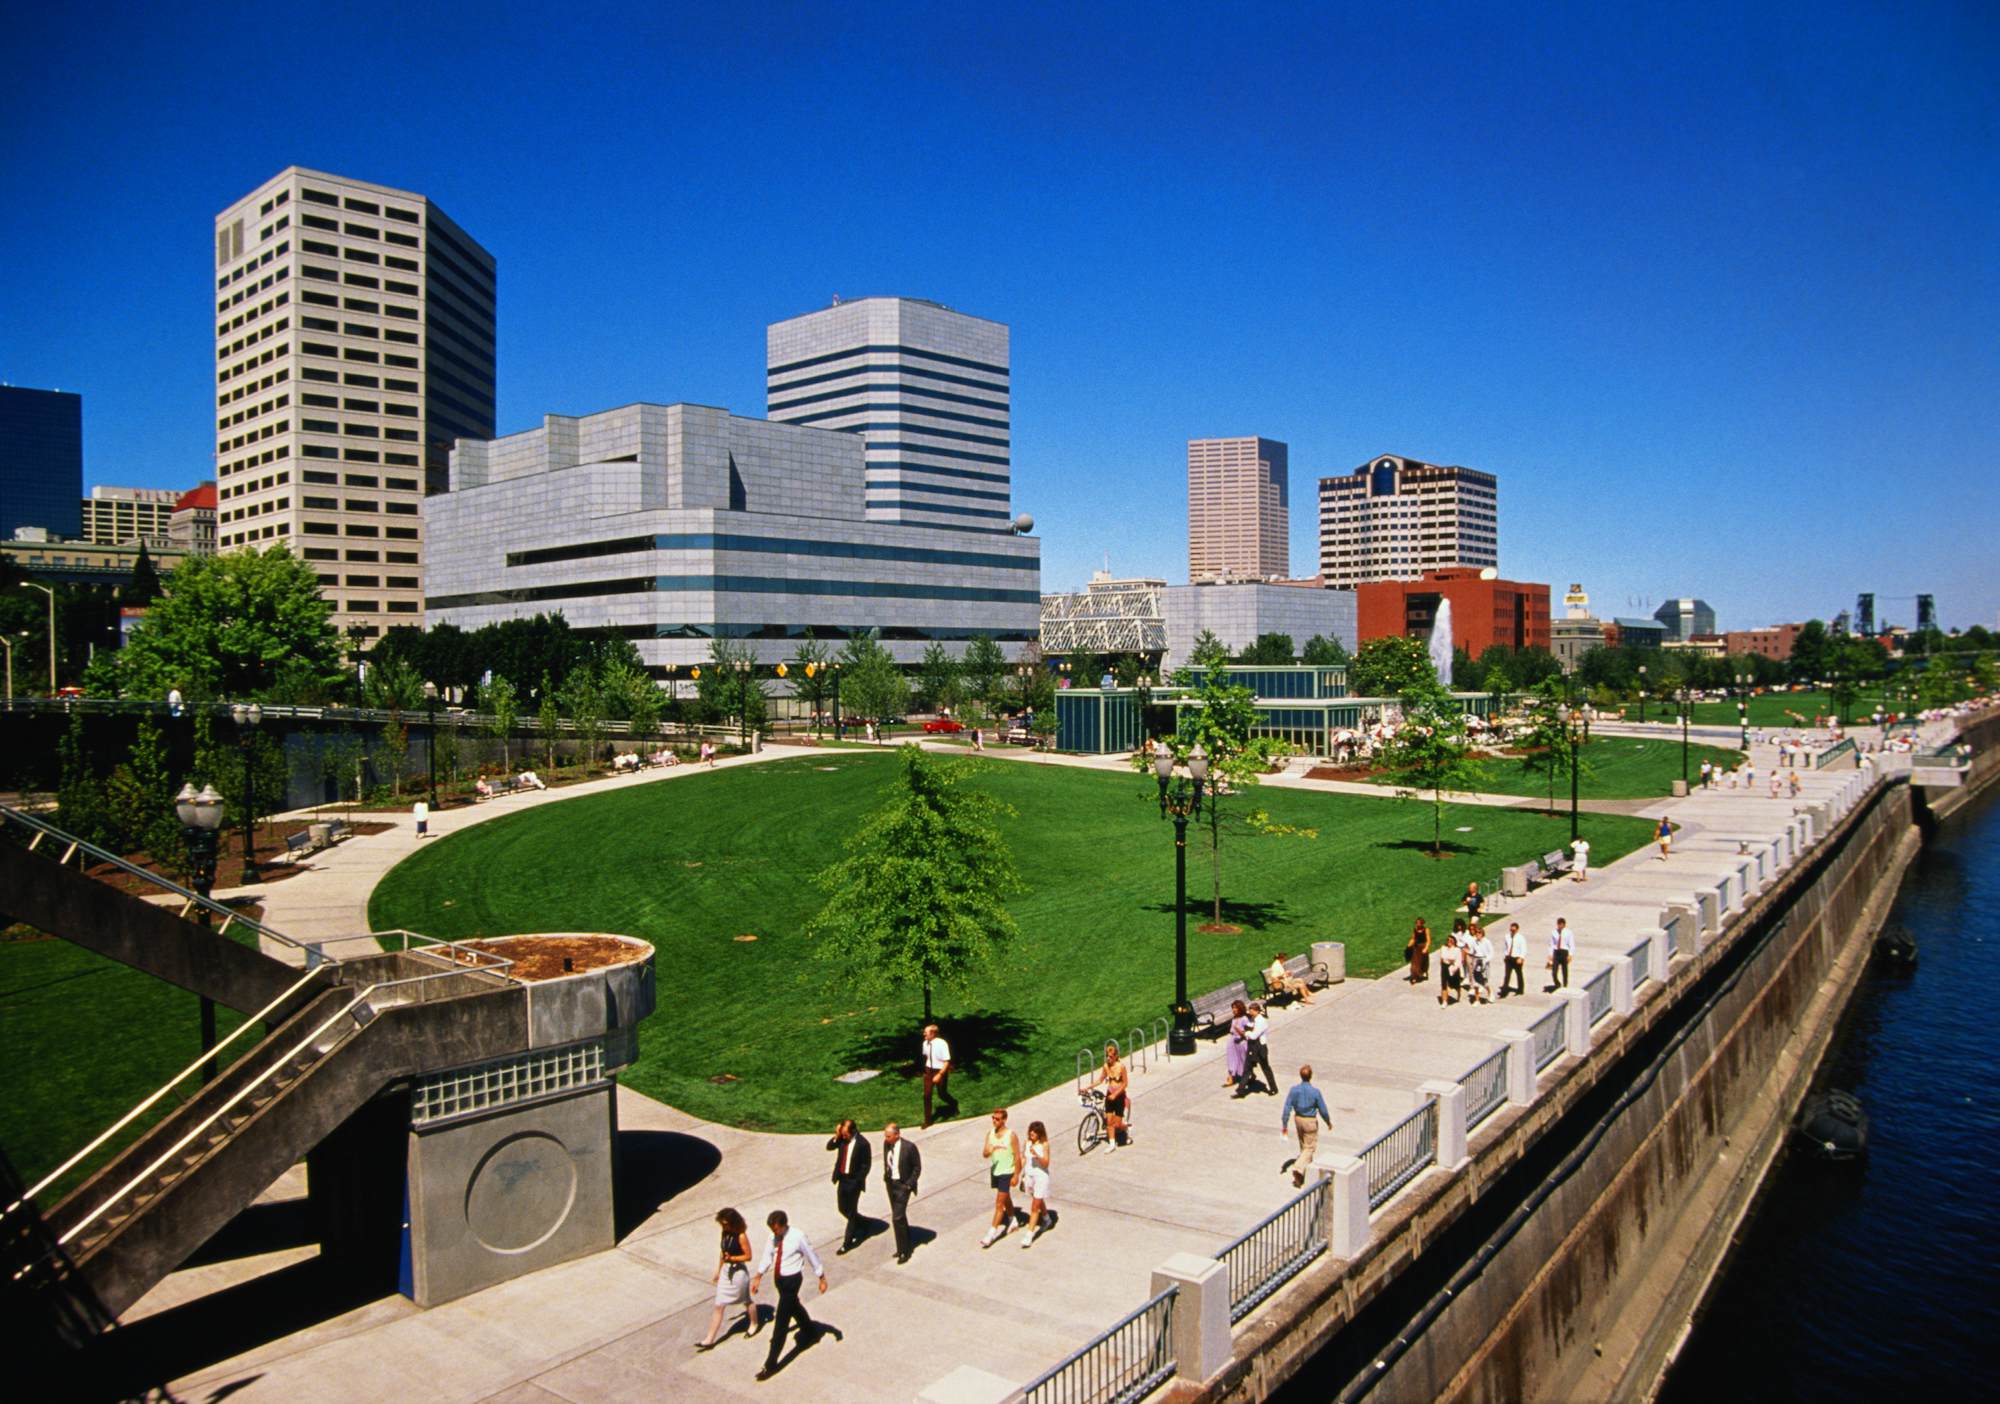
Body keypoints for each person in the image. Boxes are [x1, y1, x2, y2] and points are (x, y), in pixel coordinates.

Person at [750, 1209, 826, 1381]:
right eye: (772, 1230)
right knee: (794, 1308)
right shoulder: (773, 1238)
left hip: (792, 1281)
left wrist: (821, 1277)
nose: (774, 1233)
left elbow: (811, 1255)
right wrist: (758, 1276)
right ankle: (811, 1331)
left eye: (776, 1229)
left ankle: (770, 1364)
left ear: (783, 1225)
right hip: (780, 1280)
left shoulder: (798, 1236)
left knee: (781, 1322)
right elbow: (767, 1256)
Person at [695, 1207, 755, 1350]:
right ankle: (709, 1339)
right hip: (727, 1272)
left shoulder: (741, 1236)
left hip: (738, 1272)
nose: (724, 1226)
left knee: (746, 1300)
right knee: (719, 1304)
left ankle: (754, 1323)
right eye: (722, 1224)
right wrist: (719, 1270)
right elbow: (723, 1253)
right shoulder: (725, 1233)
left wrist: (732, 1258)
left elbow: (748, 1256)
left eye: (726, 1224)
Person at [1279, 1064, 1333, 1188]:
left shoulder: (1294, 1090)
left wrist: (1284, 1124)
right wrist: (1328, 1122)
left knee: (1303, 1145)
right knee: (1309, 1148)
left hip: (1298, 1119)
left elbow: (1287, 1107)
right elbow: (1323, 1109)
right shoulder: (1315, 1092)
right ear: (1311, 1076)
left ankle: (1304, 1174)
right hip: (1310, 1121)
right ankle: (1298, 1168)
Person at [824, 1118, 872, 1254]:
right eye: (843, 1134)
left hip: (853, 1181)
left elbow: (866, 1165)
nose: (844, 1136)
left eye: (846, 1134)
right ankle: (862, 1222)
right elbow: (829, 1147)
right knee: (842, 1208)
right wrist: (837, 1135)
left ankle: (847, 1242)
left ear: (854, 1131)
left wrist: (857, 1180)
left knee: (851, 1212)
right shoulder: (842, 1139)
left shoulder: (863, 1144)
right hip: (842, 1179)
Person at [980, 1109, 1025, 1246]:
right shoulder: (990, 1134)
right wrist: (988, 1151)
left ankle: (991, 1234)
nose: (994, 1121)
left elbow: (1017, 1156)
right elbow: (985, 1153)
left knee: (999, 1204)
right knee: (1005, 1198)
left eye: (998, 1119)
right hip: (996, 1171)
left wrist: (1016, 1174)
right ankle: (1013, 1220)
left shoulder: (1011, 1135)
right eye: (993, 1118)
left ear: (1004, 1120)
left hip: (1007, 1172)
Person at [881, 1121, 922, 1263]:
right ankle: (902, 1246)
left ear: (897, 1135)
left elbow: (917, 1168)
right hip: (890, 1184)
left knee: (897, 1218)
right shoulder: (887, 1145)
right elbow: (887, 1161)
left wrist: (908, 1185)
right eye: (886, 1136)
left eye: (888, 1136)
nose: (886, 1139)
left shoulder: (909, 1147)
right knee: (900, 1217)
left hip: (903, 1186)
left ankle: (905, 1252)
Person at [1020, 1120, 1058, 1247]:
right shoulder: (1026, 1143)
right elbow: (1023, 1158)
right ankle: (1047, 1219)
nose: (1032, 1133)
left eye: (1035, 1131)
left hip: (1041, 1177)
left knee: (1035, 1206)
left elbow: (1046, 1163)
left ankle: (1029, 1235)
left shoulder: (1044, 1145)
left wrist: (1037, 1155)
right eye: (1031, 1130)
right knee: (1037, 1199)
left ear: (1040, 1133)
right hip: (1029, 1176)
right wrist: (1018, 1174)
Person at [1093, 1042, 1132, 1144]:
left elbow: (1125, 1083)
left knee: (1117, 1125)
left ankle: (1126, 1128)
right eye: (1107, 1056)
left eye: (1110, 1056)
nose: (1108, 1058)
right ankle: (1111, 1144)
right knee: (1109, 1122)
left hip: (1119, 1096)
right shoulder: (1106, 1066)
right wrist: (1087, 1087)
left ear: (1116, 1056)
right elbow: (1100, 1080)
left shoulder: (1121, 1067)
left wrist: (1115, 1094)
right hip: (1110, 1094)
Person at [920, 1023, 956, 1127]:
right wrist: (926, 1071)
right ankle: (928, 1120)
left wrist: (940, 1075)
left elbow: (946, 1062)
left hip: (940, 1070)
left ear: (933, 1033)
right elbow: (925, 1056)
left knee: (942, 1093)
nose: (924, 1034)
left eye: (926, 1032)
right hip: (928, 1071)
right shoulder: (925, 1043)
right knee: (927, 1095)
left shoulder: (942, 1044)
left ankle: (953, 1104)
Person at [1243, 1003, 1277, 1096]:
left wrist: (1246, 1033)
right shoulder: (1255, 1020)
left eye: (1251, 1010)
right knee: (1249, 1066)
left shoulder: (1261, 1021)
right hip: (1255, 1047)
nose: (1250, 1012)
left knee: (1265, 1068)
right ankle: (1243, 1085)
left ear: (1256, 1011)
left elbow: (1254, 1035)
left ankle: (1273, 1088)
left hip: (1260, 1048)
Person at [1224, 999, 1250, 1091]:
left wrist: (1240, 1031)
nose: (1234, 1010)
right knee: (1231, 1059)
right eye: (1233, 1008)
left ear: (1240, 1009)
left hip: (1241, 1041)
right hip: (1232, 1040)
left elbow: (1247, 1032)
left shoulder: (1244, 1019)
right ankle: (1231, 1077)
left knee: (1243, 1060)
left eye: (1236, 1008)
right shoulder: (1234, 1018)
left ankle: (1249, 1075)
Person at [1469, 925, 1495, 1004]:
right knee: (1476, 982)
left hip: (1484, 961)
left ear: (1482, 934)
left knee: (1484, 981)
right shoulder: (1474, 942)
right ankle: (1477, 1000)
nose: (1477, 935)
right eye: (1476, 933)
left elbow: (1491, 953)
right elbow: (1472, 951)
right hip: (1476, 961)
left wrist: (1485, 960)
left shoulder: (1487, 942)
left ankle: (1490, 993)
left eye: (1479, 933)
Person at [1501, 921, 1527, 998]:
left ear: (1517, 930)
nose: (1512, 931)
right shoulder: (1507, 937)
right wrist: (1505, 955)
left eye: (1514, 930)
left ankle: (1520, 989)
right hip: (1509, 958)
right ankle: (1504, 991)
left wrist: (1521, 958)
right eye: (1511, 930)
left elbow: (1523, 949)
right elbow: (1506, 947)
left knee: (1519, 974)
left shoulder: (1521, 938)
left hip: (1517, 958)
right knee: (1507, 975)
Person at [1548, 917, 1573, 991]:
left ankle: (1565, 985)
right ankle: (1557, 983)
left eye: (1561, 924)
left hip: (1564, 952)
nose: (1560, 926)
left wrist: (1570, 955)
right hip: (1556, 952)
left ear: (1564, 925)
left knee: (1564, 970)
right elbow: (1551, 944)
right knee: (1554, 971)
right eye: (1558, 924)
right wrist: (1550, 954)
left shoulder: (1568, 933)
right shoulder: (1554, 932)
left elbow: (1571, 944)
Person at [1406, 917, 1431, 985]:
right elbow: (1413, 938)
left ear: (1422, 923)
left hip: (1423, 947)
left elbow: (1428, 940)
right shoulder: (1415, 930)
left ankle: (1423, 972)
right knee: (1414, 963)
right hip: (1416, 948)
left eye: (1419, 923)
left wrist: (1426, 948)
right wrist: (1409, 945)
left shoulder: (1426, 930)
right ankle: (1414, 976)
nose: (1417, 924)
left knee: (1423, 963)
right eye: (1416, 923)